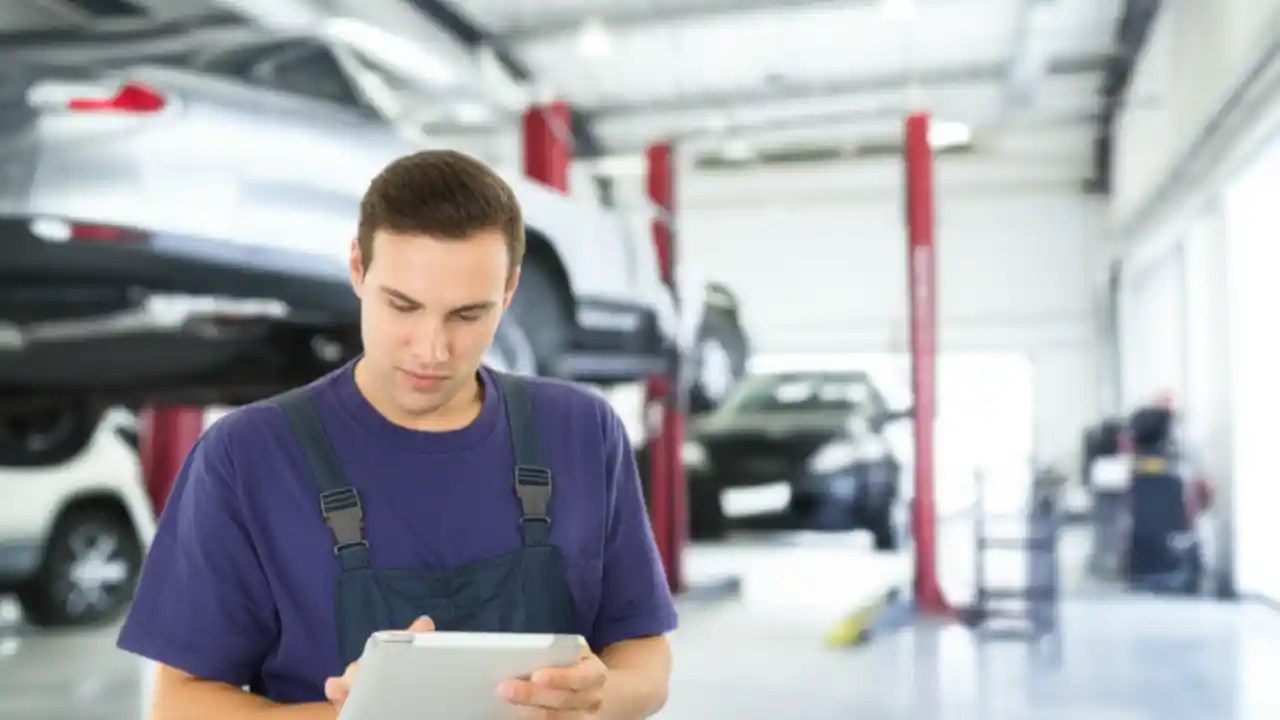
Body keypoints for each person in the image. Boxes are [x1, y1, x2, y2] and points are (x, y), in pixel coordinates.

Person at [116, 149, 678, 718]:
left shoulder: (582, 433)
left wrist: (593, 698)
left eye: (467, 315)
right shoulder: (246, 458)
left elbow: (645, 656)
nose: (432, 350)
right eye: (403, 306)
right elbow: (180, 703)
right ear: (358, 268)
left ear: (508, 292)